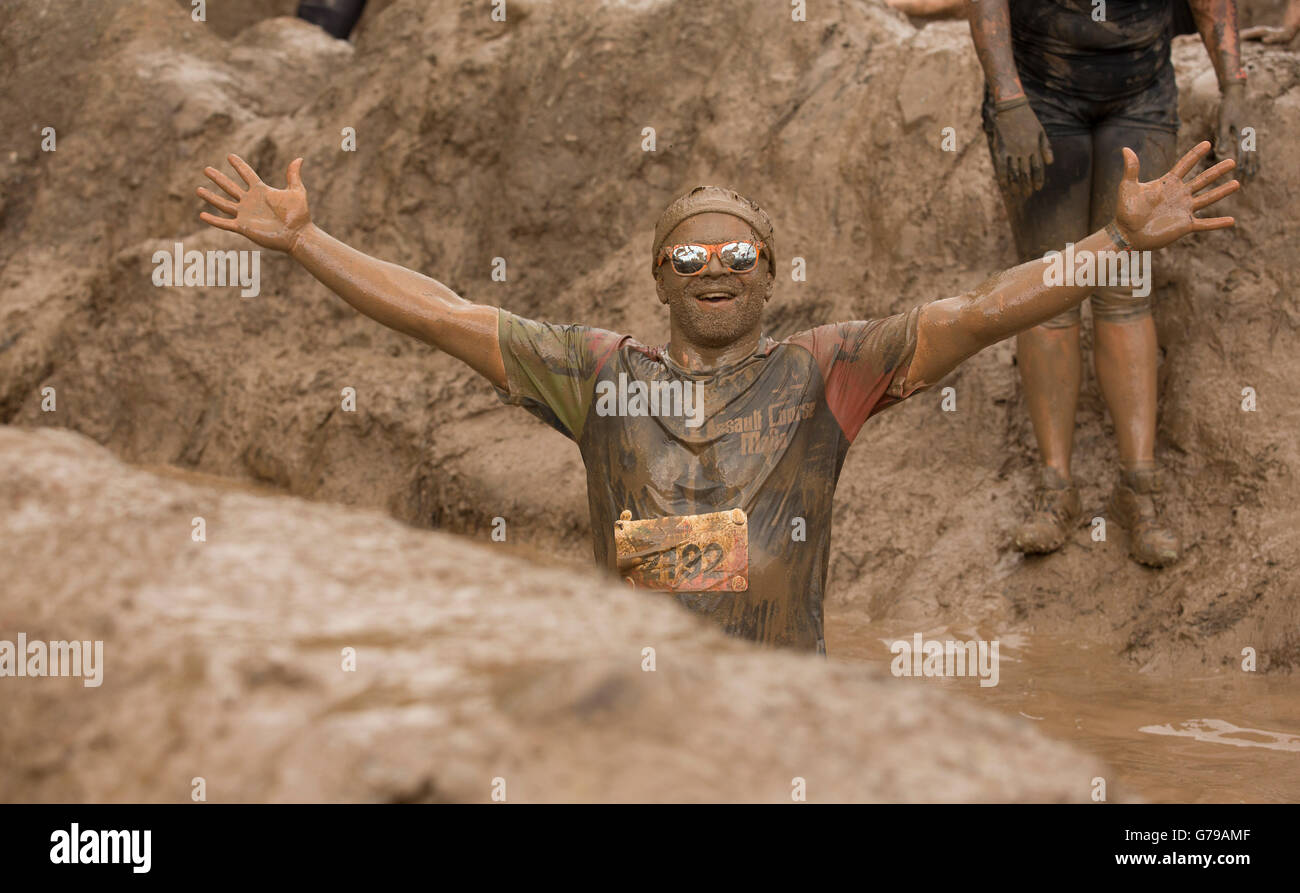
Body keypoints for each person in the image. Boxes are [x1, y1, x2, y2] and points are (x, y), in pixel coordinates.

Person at [197, 143, 1237, 653]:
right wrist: (302, 239)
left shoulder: (826, 368)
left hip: (783, 720)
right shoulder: (597, 374)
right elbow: (440, 312)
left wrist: (1113, 245)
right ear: (658, 273)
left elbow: (978, 312)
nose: (714, 265)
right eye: (688, 253)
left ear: (769, 270)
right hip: (633, 714)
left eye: (736, 250)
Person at [968, 0, 1257, 567]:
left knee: (1125, 288)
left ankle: (1139, 491)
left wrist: (1236, 88)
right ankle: (1056, 489)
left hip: (1140, 90)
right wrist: (1008, 100)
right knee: (1052, 288)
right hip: (1039, 88)